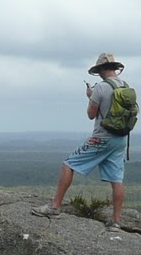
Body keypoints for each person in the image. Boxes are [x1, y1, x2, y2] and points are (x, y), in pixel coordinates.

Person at [33, 52, 128, 226]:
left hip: (101, 138)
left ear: (101, 69)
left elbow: (91, 115)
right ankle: (116, 222)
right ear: (115, 68)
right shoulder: (126, 87)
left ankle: (54, 207)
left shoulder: (101, 87)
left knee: (68, 165)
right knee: (117, 179)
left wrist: (91, 97)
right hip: (121, 139)